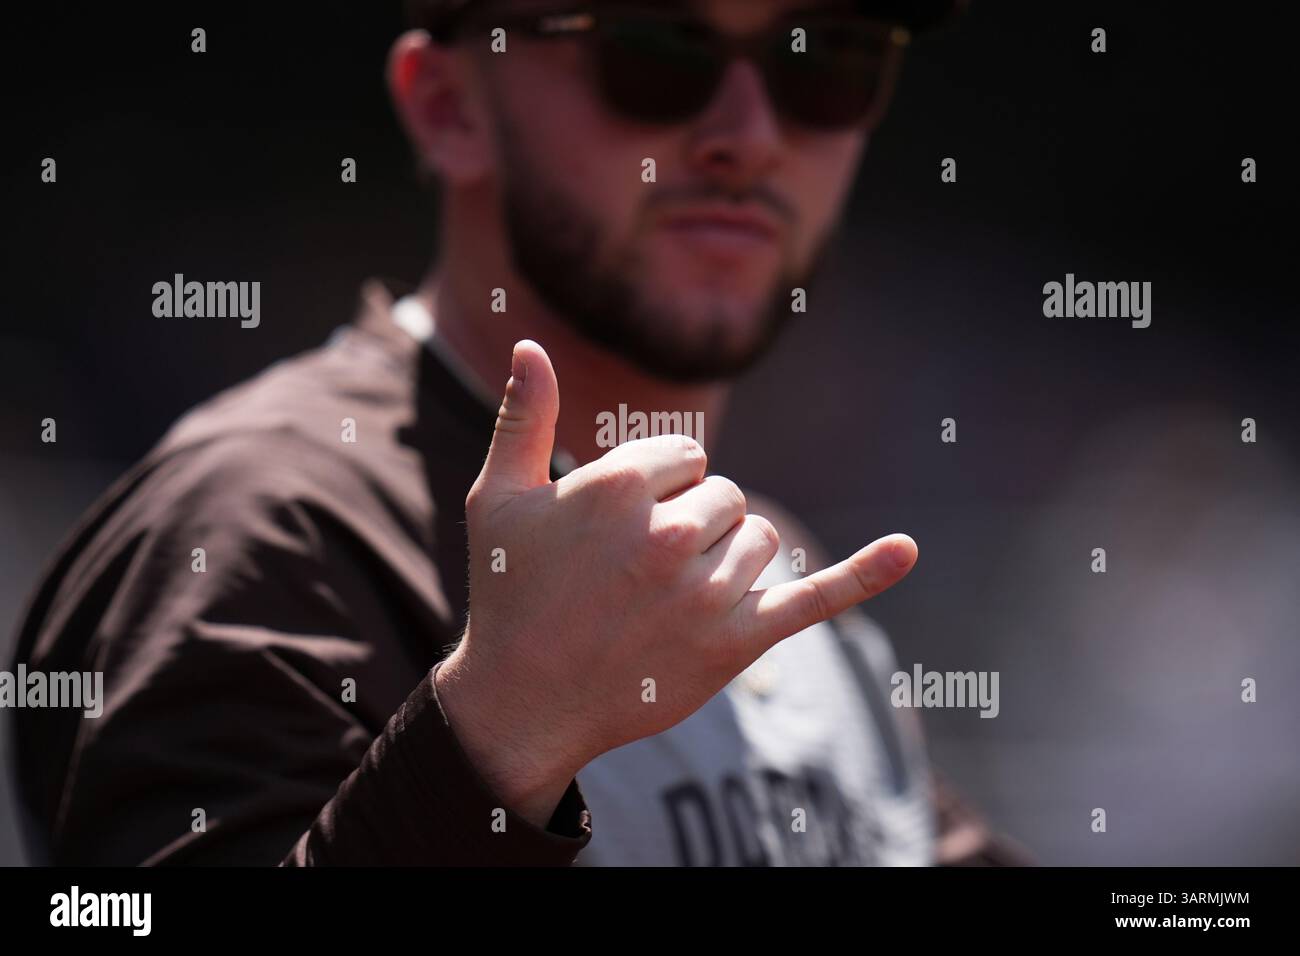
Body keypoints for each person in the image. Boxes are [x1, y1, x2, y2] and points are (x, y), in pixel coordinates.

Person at [10, 0, 1023, 865]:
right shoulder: (257, 528)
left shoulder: (787, 571)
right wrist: (496, 735)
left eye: (827, 57)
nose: (750, 132)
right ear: (449, 107)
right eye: (656, 47)